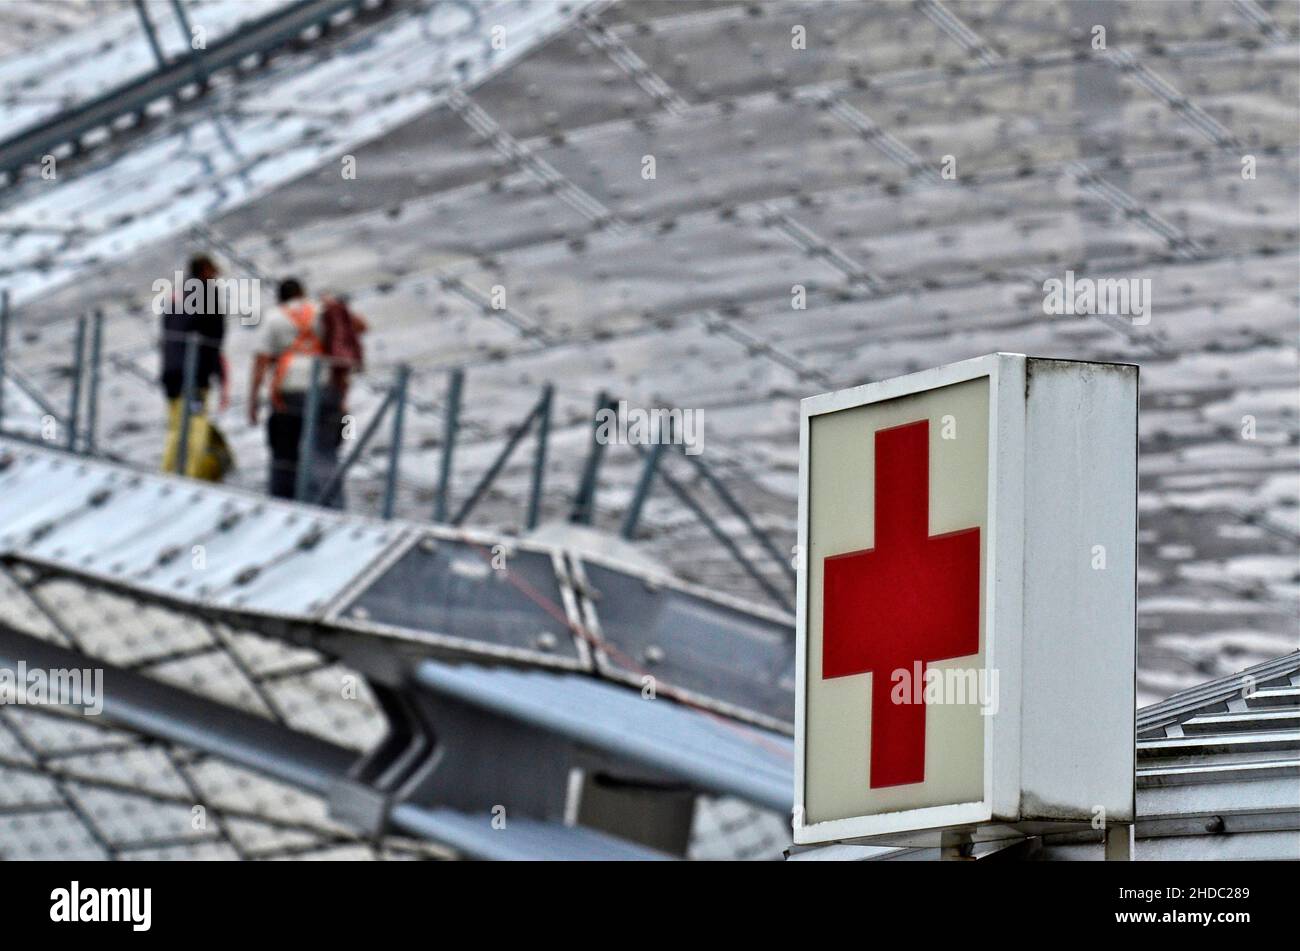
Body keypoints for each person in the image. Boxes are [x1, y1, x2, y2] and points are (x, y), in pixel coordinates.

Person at [248, 278, 350, 504]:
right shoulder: (322, 311)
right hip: (326, 387)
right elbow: (353, 330)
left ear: (280, 297)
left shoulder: (274, 317)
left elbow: (261, 361)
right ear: (302, 293)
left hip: (289, 391)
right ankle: (332, 504)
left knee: (284, 452)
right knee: (325, 452)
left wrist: (253, 401)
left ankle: (283, 502)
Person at [160, 254, 232, 480]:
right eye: (213, 270)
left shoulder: (175, 295)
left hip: (170, 372)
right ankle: (189, 477)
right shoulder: (207, 293)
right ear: (205, 270)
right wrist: (217, 372)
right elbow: (214, 336)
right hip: (194, 374)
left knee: (175, 427)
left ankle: (167, 472)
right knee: (194, 427)